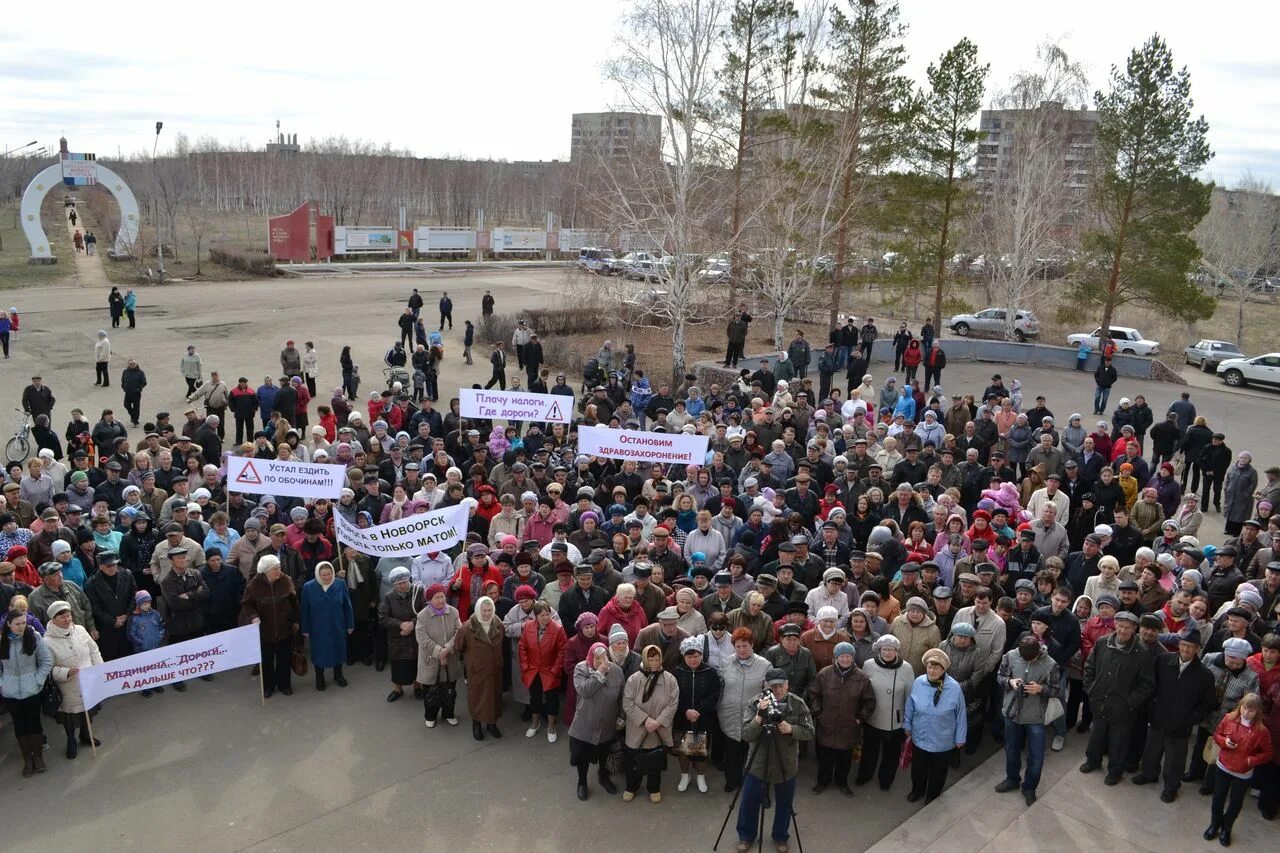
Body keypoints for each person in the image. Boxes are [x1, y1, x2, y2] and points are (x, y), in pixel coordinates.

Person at [735, 667, 815, 852]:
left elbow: (810, 732)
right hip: (758, 762)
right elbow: (746, 735)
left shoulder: (797, 704)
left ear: (788, 685)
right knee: (749, 800)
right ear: (765, 686)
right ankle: (746, 836)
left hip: (785, 763)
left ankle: (780, 837)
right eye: (773, 687)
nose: (777, 690)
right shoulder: (755, 703)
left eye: (781, 686)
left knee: (784, 803)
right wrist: (758, 718)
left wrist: (791, 729)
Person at [1132, 629, 1216, 802]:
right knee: (1151, 750)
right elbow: (1150, 685)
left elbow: (1207, 703)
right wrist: (1151, 708)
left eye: (1190, 647)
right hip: (1158, 717)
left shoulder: (1204, 675)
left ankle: (1171, 787)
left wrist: (1190, 719)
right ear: (1178, 645)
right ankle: (1149, 774)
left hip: (1180, 725)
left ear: (1198, 649)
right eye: (1183, 645)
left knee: (1174, 759)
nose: (1186, 650)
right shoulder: (1163, 660)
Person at [1080, 610, 1155, 784]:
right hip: (1099, 700)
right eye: (1120, 626)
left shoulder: (1141, 652)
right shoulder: (1102, 642)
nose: (1122, 631)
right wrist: (1091, 689)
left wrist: (1131, 701)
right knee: (1096, 734)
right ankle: (1092, 761)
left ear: (1134, 629)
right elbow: (1090, 667)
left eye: (1127, 628)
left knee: (1118, 742)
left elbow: (1147, 683)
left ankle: (1115, 771)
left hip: (1123, 707)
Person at [996, 633, 1062, 805]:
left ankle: (1030, 788)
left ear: (1038, 651)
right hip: (1012, 713)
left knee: (1036, 756)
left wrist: (1040, 689)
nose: (1028, 661)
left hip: (1035, 717)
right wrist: (1010, 682)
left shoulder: (1050, 664)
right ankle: (1012, 779)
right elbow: (1000, 676)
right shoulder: (1010, 656)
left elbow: (1056, 690)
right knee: (1011, 748)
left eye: (1031, 658)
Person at [1204, 693, 1273, 846]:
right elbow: (1217, 734)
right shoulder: (1229, 718)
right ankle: (1214, 824)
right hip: (1224, 766)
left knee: (1235, 802)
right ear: (1240, 706)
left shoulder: (1261, 731)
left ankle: (1226, 828)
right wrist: (1224, 741)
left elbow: (1267, 753)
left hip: (1242, 772)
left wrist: (1251, 760)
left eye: (1251, 710)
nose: (1246, 713)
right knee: (1218, 797)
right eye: (1244, 708)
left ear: (1257, 712)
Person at [809, 640, 875, 796]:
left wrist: (859, 719)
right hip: (827, 724)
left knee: (844, 759)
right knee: (824, 757)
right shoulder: (824, 674)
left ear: (852, 657)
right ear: (836, 658)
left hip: (849, 727)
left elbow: (869, 701)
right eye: (842, 656)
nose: (845, 660)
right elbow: (813, 695)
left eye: (848, 656)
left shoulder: (862, 678)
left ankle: (842, 782)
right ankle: (822, 782)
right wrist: (818, 713)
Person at [903, 647, 967, 804]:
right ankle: (917, 790)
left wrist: (960, 737)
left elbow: (961, 714)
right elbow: (910, 705)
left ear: (943, 669)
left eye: (936, 667)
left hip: (943, 739)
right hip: (920, 735)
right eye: (929, 667)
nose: (932, 671)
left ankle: (933, 795)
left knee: (938, 771)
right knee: (918, 768)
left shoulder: (954, 687)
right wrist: (907, 725)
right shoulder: (919, 682)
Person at [44, 600, 104, 759]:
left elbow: (93, 650)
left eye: (68, 615)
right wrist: (65, 672)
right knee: (70, 719)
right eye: (62, 617)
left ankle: (86, 735)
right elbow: (48, 669)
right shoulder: (47, 641)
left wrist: (99, 668)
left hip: (88, 680)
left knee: (88, 712)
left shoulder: (80, 630)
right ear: (53, 619)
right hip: (68, 687)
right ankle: (71, 740)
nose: (67, 619)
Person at [569, 638, 625, 799]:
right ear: (590, 657)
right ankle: (582, 782)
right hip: (585, 723)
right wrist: (600, 673)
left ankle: (603, 776)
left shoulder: (616, 671)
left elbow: (622, 696)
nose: (601, 661)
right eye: (597, 658)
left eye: (604, 657)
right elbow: (584, 691)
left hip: (607, 723)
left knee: (603, 752)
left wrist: (622, 716)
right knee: (582, 756)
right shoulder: (581, 669)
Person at [621, 644, 678, 803]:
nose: (654, 663)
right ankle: (631, 786)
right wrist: (646, 720)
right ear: (645, 659)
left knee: (655, 762)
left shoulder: (670, 679)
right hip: (638, 728)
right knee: (633, 761)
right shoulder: (634, 679)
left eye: (657, 659)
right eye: (650, 659)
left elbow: (673, 703)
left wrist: (658, 722)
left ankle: (654, 788)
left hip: (658, 729)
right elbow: (627, 703)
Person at [1, 607, 53, 776]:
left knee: (34, 723)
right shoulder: (2, 641)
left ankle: (38, 757)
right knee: (20, 726)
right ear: (9, 624)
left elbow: (46, 661)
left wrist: (37, 680)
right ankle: (27, 760)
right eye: (17, 624)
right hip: (11, 692)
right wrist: (3, 683)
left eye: (23, 623)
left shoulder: (34, 637)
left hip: (32, 690)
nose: (21, 626)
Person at [241, 554, 300, 699]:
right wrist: (254, 617)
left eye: (279, 568)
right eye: (275, 569)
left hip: (284, 628)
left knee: (284, 659)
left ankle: (284, 685)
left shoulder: (286, 580)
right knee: (266, 661)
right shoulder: (253, 585)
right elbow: (247, 605)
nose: (279, 571)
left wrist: (296, 621)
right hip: (264, 631)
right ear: (266, 571)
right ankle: (268, 687)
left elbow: (294, 603)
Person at [672, 634, 721, 793]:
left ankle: (700, 776)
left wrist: (698, 710)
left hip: (703, 718)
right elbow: (673, 695)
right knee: (683, 749)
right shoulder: (677, 672)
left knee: (701, 750)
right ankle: (685, 775)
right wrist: (685, 710)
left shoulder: (710, 672)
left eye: (696, 656)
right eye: (689, 656)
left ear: (701, 655)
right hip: (682, 717)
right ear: (683, 656)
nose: (693, 659)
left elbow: (714, 694)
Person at [452, 595, 505, 740]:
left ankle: (491, 724)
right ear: (478, 610)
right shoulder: (467, 628)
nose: (487, 613)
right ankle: (476, 724)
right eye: (484, 610)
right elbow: (458, 646)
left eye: (489, 610)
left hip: (494, 669)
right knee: (477, 698)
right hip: (477, 670)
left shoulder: (499, 625)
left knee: (494, 697)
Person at [301, 561, 354, 691]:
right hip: (317, 627)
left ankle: (338, 674)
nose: (327, 577)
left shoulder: (340, 584)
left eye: (329, 574)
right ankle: (319, 677)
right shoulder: (308, 587)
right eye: (323, 575)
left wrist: (350, 624)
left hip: (337, 625)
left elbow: (347, 606)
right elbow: (304, 610)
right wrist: (305, 628)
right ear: (318, 575)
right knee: (319, 652)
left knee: (338, 649)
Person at [519, 600, 567, 742]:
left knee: (552, 700)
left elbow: (562, 651)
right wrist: (525, 666)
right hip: (533, 670)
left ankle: (551, 727)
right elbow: (522, 647)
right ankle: (535, 723)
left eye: (548, 614)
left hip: (550, 670)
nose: (546, 618)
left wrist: (555, 669)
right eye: (542, 615)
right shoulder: (528, 627)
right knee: (535, 698)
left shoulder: (558, 629)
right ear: (536, 616)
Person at [415, 583, 462, 727]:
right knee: (431, 691)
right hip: (431, 659)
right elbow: (421, 638)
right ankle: (430, 715)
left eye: (442, 596)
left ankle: (449, 713)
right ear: (430, 600)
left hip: (450, 658)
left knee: (449, 689)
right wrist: (438, 652)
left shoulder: (453, 612)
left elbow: (459, 632)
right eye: (437, 597)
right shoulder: (423, 616)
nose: (441, 600)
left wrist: (447, 649)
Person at [378, 567, 424, 703]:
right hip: (398, 637)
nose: (402, 585)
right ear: (394, 585)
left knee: (417, 662)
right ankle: (397, 689)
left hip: (416, 635)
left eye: (404, 582)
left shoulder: (418, 591)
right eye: (399, 584)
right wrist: (400, 624)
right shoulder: (389, 597)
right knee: (398, 665)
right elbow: (382, 617)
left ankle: (418, 687)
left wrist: (412, 624)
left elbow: (426, 610)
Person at [120, 358, 147, 427]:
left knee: (136, 407)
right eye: (130, 364)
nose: (132, 365)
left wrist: (139, 388)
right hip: (128, 392)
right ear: (128, 365)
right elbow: (123, 379)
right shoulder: (125, 371)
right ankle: (133, 416)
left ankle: (135, 421)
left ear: (136, 364)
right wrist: (123, 386)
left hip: (136, 393)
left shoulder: (140, 372)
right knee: (126, 405)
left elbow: (144, 382)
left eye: (133, 364)